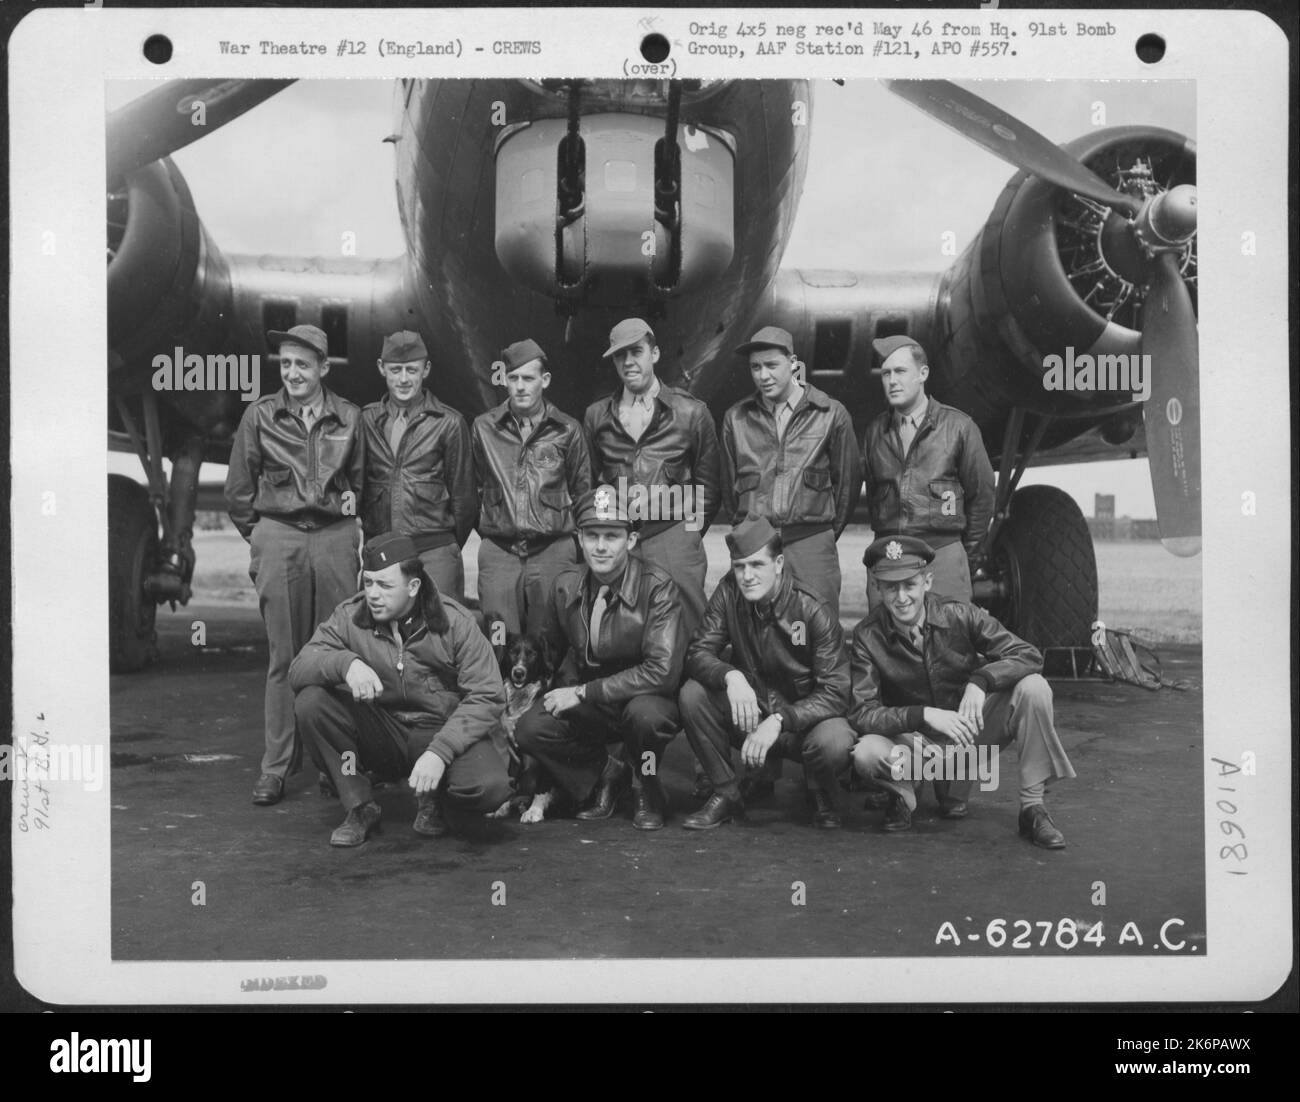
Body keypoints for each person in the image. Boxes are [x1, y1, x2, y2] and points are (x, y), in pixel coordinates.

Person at [847, 535, 1076, 848]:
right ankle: (901, 792)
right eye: (890, 586)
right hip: (915, 744)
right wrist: (923, 715)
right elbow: (862, 712)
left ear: (927, 581)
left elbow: (1028, 654)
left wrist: (981, 681)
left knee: (1034, 688)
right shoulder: (866, 636)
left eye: (909, 584)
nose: (901, 597)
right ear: (877, 587)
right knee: (866, 752)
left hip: (967, 737)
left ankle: (1032, 808)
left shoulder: (961, 614)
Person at [288, 534, 511, 847]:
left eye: (385, 585)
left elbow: (488, 695)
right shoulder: (350, 617)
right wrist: (346, 663)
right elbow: (299, 668)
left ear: (414, 587)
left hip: (438, 730)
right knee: (311, 703)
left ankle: (434, 798)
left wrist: (440, 752)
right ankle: (360, 806)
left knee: (489, 787)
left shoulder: (456, 622)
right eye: (368, 583)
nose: (373, 595)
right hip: (383, 733)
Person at [224, 323, 365, 806]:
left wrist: (340, 532)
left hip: (332, 537)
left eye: (303, 364)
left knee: (334, 656)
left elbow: (359, 485)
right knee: (284, 657)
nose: (293, 373)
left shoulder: (349, 417)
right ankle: (276, 767)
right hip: (279, 536)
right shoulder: (260, 416)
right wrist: (264, 537)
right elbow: (239, 491)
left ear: (324, 368)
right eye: (285, 364)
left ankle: (335, 766)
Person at [513, 487, 685, 831]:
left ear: (631, 540)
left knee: (645, 717)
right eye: (592, 536)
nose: (601, 546)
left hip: (644, 697)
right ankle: (606, 773)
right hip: (596, 704)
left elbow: (662, 672)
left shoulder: (658, 588)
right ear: (579, 538)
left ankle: (645, 786)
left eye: (612, 536)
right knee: (531, 727)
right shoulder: (565, 586)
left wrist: (581, 693)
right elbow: (546, 653)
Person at [679, 517, 855, 830]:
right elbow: (697, 652)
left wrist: (780, 720)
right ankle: (726, 793)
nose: (747, 576)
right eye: (740, 566)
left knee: (835, 740)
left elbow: (836, 691)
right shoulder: (729, 592)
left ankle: (819, 789)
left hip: (802, 723)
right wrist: (731, 676)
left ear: (779, 563)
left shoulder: (812, 607)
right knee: (694, 694)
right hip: (755, 713)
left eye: (757, 565)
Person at [582, 317, 720, 633]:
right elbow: (589, 484)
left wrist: (688, 534)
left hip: (673, 536)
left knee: (686, 629)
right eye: (620, 355)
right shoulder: (597, 416)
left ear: (654, 354)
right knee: (625, 631)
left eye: (636, 352)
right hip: (623, 540)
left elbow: (709, 485)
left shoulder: (691, 412)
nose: (628, 362)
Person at [721, 326, 860, 618]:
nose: (763, 375)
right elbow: (729, 489)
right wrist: (750, 534)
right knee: (758, 629)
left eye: (771, 365)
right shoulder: (736, 419)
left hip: (811, 544)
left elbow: (847, 487)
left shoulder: (831, 414)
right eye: (755, 367)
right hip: (758, 543)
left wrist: (818, 536)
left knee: (818, 625)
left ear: (793, 363)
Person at [860, 335, 995, 608]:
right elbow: (875, 496)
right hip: (889, 558)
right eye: (886, 373)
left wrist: (961, 557)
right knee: (885, 644)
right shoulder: (875, 432)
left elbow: (982, 497)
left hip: (941, 556)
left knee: (948, 644)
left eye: (900, 371)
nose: (892, 381)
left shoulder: (959, 428)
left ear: (923, 374)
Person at [471, 338, 591, 640]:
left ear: (544, 380)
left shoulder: (567, 430)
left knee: (549, 640)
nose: (520, 386)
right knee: (499, 638)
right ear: (505, 380)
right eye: (513, 378)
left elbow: (583, 492)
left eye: (528, 378)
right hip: (500, 551)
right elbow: (472, 488)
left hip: (552, 549)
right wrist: (494, 525)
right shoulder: (484, 428)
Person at [360, 330, 476, 603]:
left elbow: (465, 500)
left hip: (434, 552)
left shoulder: (448, 423)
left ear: (426, 370)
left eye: (411, 370)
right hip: (383, 551)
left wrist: (441, 546)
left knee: (438, 636)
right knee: (382, 638)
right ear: (381, 368)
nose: (403, 379)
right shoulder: (366, 421)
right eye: (395, 369)